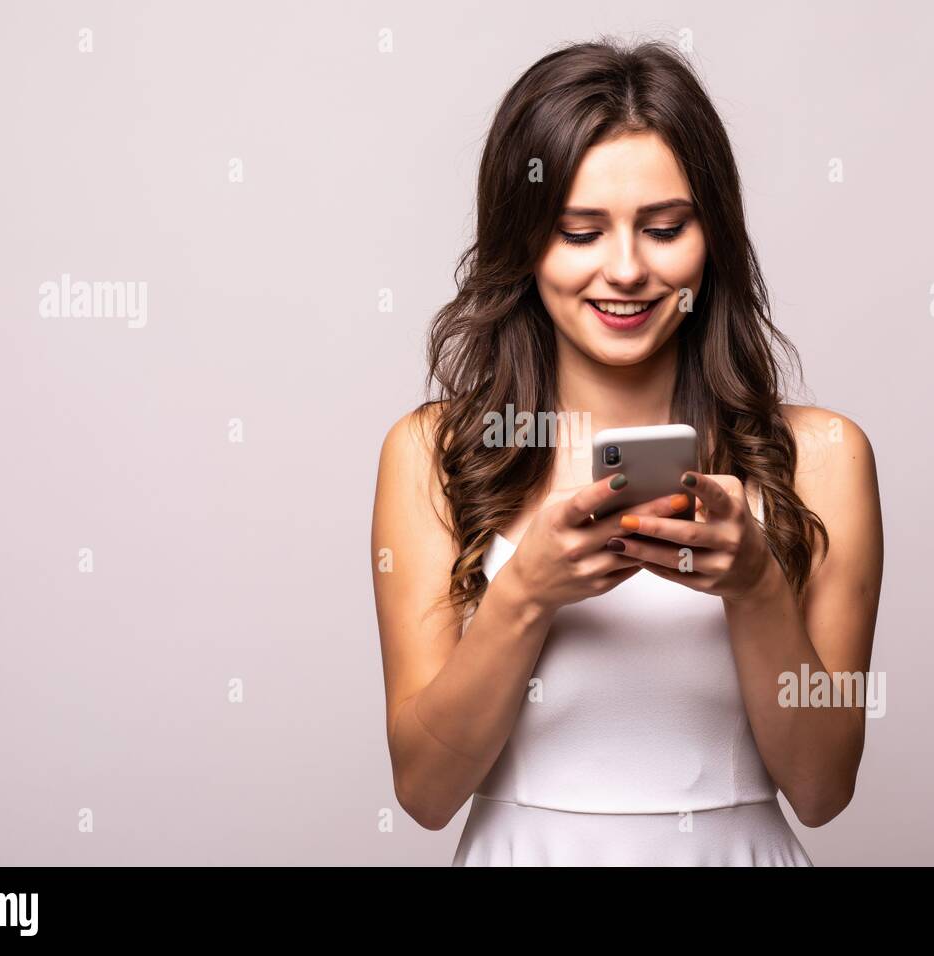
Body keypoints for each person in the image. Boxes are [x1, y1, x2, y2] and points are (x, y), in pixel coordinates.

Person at [371, 38, 883, 865]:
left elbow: (825, 790)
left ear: (712, 234)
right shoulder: (434, 453)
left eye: (665, 228)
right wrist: (527, 592)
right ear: (523, 244)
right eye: (580, 232)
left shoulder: (823, 456)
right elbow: (424, 792)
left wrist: (755, 586)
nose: (627, 270)